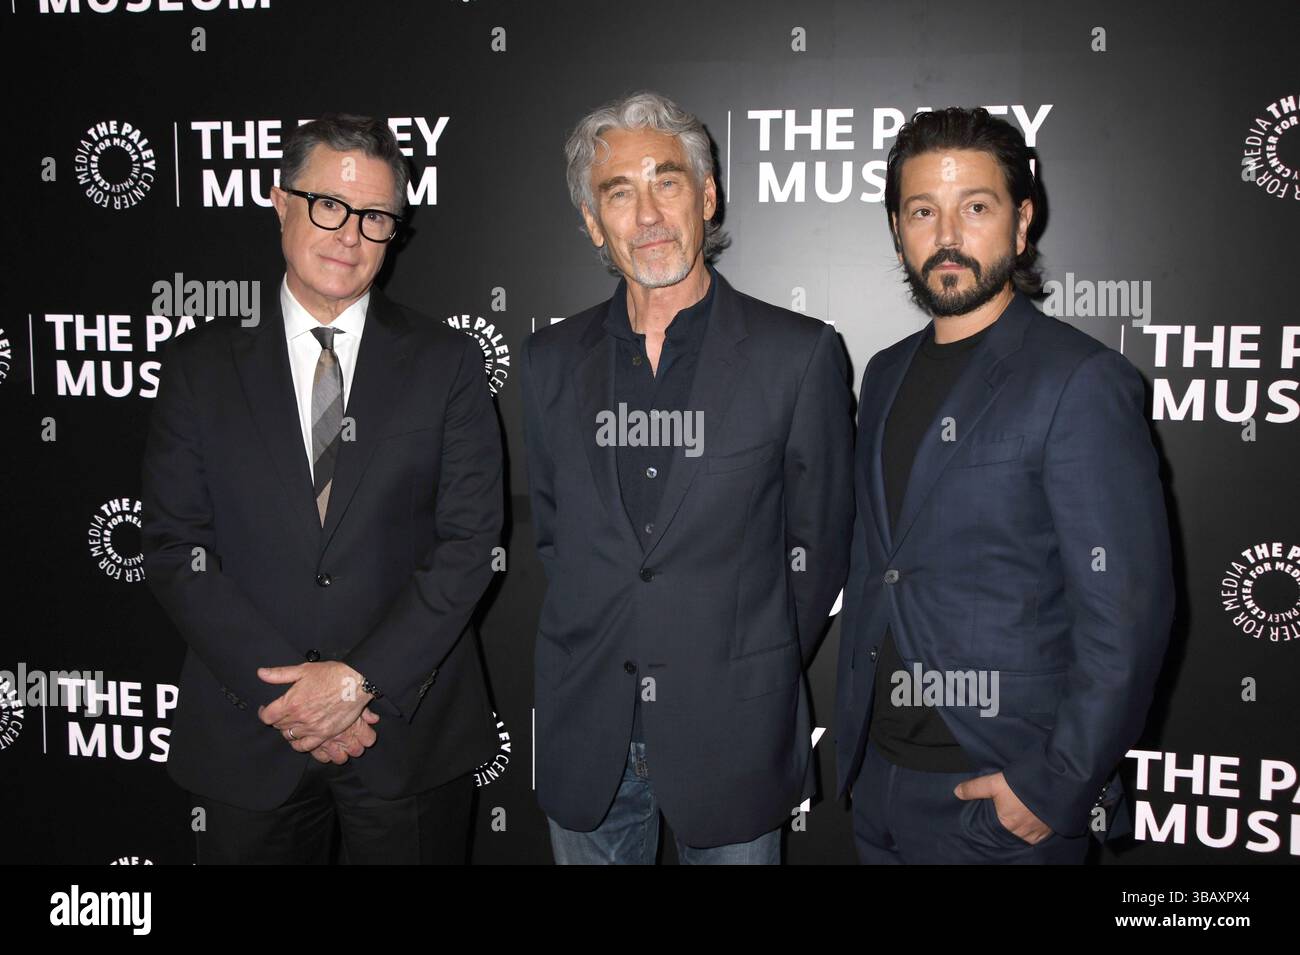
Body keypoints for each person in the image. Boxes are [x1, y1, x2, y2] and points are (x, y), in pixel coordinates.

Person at [141, 113, 503, 864]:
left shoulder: (448, 363)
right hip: (250, 733)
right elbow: (176, 549)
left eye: (375, 217)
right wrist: (291, 697)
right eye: (329, 206)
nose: (350, 234)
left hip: (408, 735)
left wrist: (360, 682)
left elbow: (468, 545)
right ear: (281, 203)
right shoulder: (198, 369)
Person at [519, 91, 853, 864]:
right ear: (591, 221)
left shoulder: (797, 356)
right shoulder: (548, 362)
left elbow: (821, 548)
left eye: (666, 182)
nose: (647, 215)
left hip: (734, 729)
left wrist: (742, 657)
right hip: (585, 733)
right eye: (618, 192)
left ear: (706, 196)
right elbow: (558, 536)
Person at [835, 107, 1174, 864]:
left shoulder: (1079, 381)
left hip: (998, 798)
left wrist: (1054, 785)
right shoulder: (884, 372)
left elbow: (1128, 613)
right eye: (923, 210)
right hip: (879, 778)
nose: (946, 233)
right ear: (897, 227)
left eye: (975, 207)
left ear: (1022, 224)